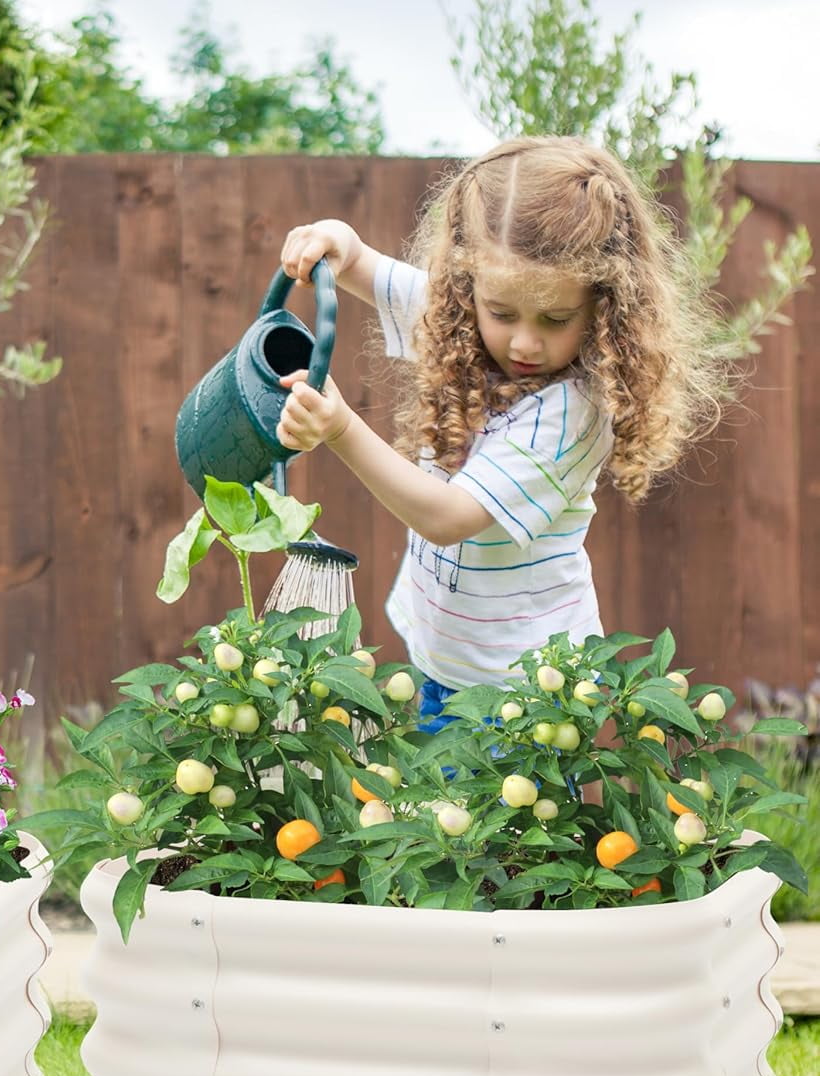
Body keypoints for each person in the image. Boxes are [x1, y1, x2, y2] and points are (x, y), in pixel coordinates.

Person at [274, 135, 726, 727]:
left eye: (556, 319)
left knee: (508, 820)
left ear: (603, 306)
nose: (524, 342)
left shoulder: (570, 411)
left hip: (528, 697)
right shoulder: (465, 329)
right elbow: (372, 272)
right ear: (468, 291)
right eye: (503, 312)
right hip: (450, 662)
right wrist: (342, 244)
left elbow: (448, 517)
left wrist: (340, 429)